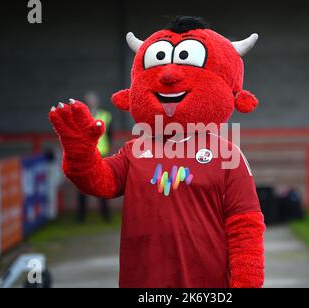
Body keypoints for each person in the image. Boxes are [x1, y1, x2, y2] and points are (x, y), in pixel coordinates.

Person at [50, 16, 265, 288]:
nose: (169, 75)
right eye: (160, 61)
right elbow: (98, 181)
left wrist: (246, 284)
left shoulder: (228, 156)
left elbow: (245, 226)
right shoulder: (134, 151)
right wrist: (80, 151)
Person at [77, 92, 113, 223]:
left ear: (97, 102)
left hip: (101, 154)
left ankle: (106, 215)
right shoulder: (81, 116)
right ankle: (80, 217)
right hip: (86, 155)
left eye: (92, 101)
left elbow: (110, 135)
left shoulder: (105, 116)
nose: (91, 103)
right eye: (88, 101)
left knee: (101, 183)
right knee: (83, 185)